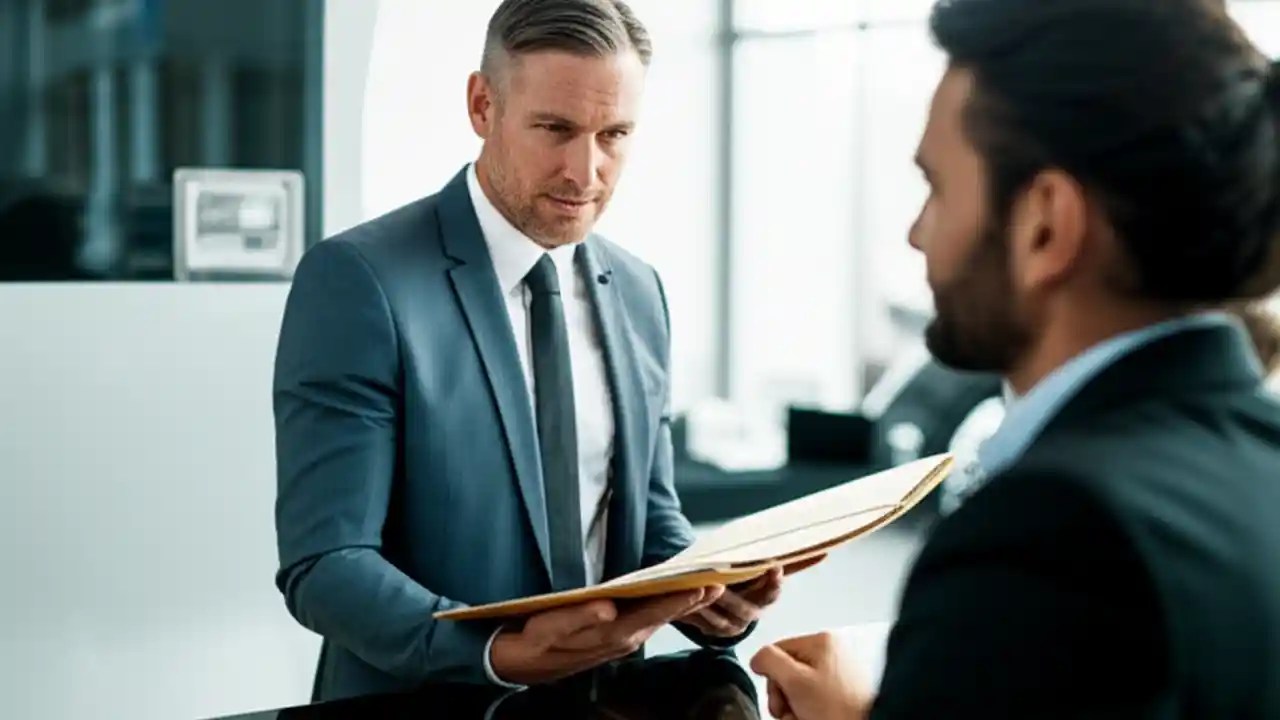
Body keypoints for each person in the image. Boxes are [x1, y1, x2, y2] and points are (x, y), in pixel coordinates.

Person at [751, 0, 1280, 717]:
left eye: (937, 188)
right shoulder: (1260, 462)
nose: (917, 235)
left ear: (1045, 225)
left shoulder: (1051, 535)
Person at [273, 0, 783, 703]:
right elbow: (325, 563)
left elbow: (644, 516)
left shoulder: (639, 289)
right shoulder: (361, 280)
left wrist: (709, 594)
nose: (586, 171)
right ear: (483, 105)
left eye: (615, 134)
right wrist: (498, 654)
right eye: (556, 129)